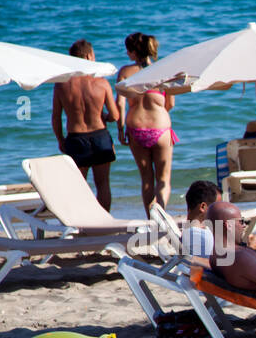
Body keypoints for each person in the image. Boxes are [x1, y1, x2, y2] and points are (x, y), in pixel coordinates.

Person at [51, 40, 119, 210]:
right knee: (103, 184)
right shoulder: (101, 83)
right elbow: (115, 115)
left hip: (76, 137)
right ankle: (103, 224)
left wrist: (60, 139)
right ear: (89, 56)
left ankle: (84, 222)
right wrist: (104, 116)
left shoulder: (61, 85)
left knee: (79, 186)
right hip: (100, 135)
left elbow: (56, 117)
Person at [116, 33, 177, 215]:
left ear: (134, 52)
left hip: (136, 128)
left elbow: (120, 103)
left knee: (147, 180)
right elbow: (171, 104)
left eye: (128, 50)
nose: (127, 54)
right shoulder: (162, 70)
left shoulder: (125, 72)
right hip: (160, 128)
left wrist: (120, 129)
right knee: (163, 179)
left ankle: (151, 218)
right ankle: (162, 215)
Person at [182, 180, 220, 259]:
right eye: (217, 206)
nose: (220, 209)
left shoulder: (195, 231)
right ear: (203, 207)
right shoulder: (198, 236)